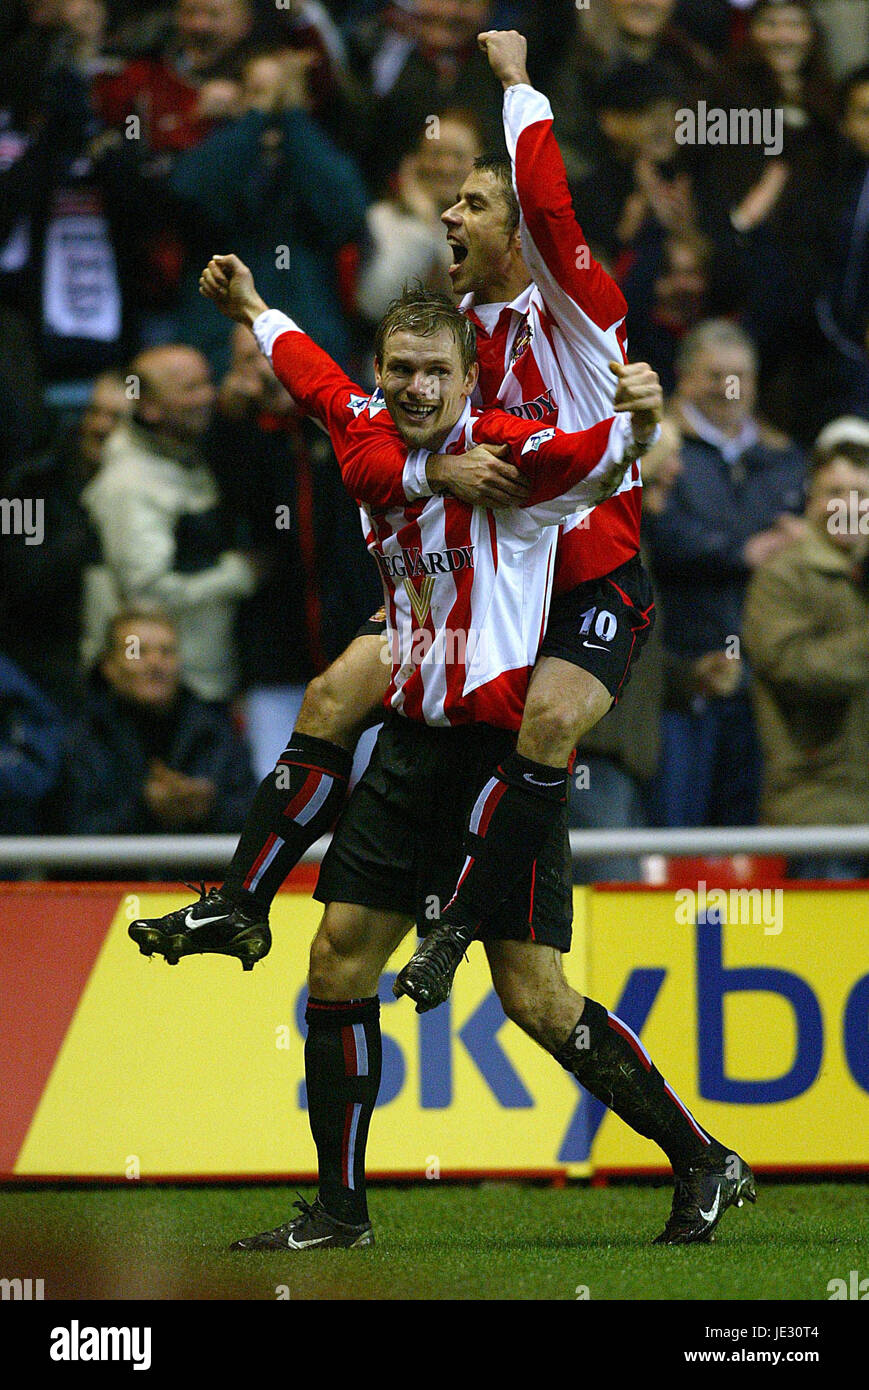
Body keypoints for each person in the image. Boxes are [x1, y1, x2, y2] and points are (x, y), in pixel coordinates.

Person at [132, 271, 754, 1250]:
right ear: (382, 376)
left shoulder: (510, 455)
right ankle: (339, 1211)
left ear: (471, 380)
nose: (417, 387)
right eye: (401, 370)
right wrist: (253, 308)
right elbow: (306, 373)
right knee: (335, 958)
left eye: (437, 371)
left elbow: (592, 457)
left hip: (501, 763)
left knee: (535, 999)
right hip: (413, 743)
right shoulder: (366, 426)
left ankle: (702, 1157)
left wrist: (637, 421)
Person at [644, 318, 806, 828]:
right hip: (683, 671)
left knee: (748, 836)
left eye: (740, 376)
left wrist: (803, 547)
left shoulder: (785, 461)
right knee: (675, 831)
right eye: (714, 375)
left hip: (764, 680)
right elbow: (654, 536)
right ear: (684, 376)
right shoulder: (658, 451)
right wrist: (743, 552)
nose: (728, 389)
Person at [79, 343, 259, 702]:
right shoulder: (129, 483)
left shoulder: (189, 454)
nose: (208, 397)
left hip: (203, 676)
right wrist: (241, 575)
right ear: (149, 408)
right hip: (158, 691)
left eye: (207, 382)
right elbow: (145, 593)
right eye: (190, 389)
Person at [743, 447, 869, 880]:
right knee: (829, 945)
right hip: (818, 805)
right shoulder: (782, 576)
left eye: (861, 493)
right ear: (811, 501)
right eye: (835, 492)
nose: (849, 505)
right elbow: (792, 665)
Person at [65, 607, 257, 841]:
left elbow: (253, 818)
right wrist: (145, 808)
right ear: (109, 666)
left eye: (167, 652)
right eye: (137, 651)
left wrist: (207, 807)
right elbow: (71, 827)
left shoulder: (214, 730)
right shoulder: (81, 735)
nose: (155, 663)